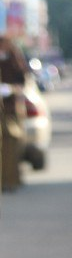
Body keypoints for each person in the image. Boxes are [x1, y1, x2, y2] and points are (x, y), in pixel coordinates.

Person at [0, 37, 28, 193]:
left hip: (10, 109)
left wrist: (10, 89)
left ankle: (11, 179)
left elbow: (22, 81)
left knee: (12, 142)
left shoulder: (14, 58)